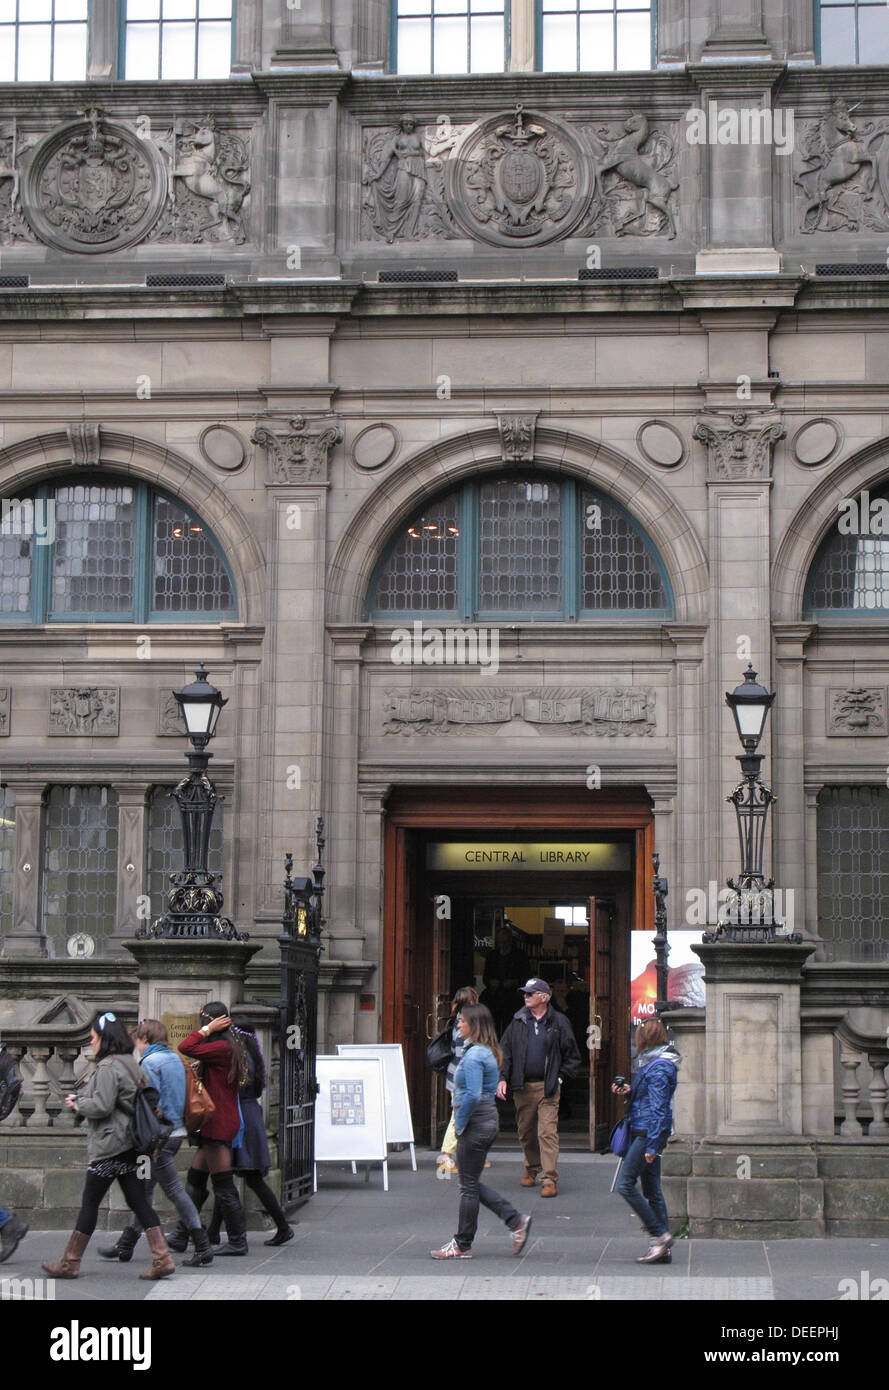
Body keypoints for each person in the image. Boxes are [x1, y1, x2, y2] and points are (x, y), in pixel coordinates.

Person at [41, 1011, 175, 1281]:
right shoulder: (131, 1063)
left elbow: (101, 1106)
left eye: (93, 1037)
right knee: (139, 1202)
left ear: (105, 1038)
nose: (92, 1042)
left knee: (90, 1203)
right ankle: (163, 1258)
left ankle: (70, 1263)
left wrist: (78, 1103)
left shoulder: (108, 1067)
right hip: (132, 1145)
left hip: (110, 1146)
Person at [99, 1019, 212, 1268]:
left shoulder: (149, 1063)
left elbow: (151, 1103)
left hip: (157, 1137)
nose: (136, 1046)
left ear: (145, 1039)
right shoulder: (176, 1059)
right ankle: (126, 1244)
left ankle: (202, 1245)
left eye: (137, 1041)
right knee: (145, 1190)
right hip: (176, 1132)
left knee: (173, 1191)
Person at [430, 1004, 532, 1261]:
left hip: (475, 1122)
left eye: (462, 1021)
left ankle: (463, 1243)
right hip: (485, 1120)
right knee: (470, 1182)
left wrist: (460, 1123)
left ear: (474, 1025)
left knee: (467, 1186)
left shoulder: (475, 1055)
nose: (458, 1025)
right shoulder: (483, 1051)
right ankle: (513, 1220)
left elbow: (473, 1095)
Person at [205, 1017, 294, 1247]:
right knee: (226, 1178)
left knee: (249, 1179)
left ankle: (283, 1226)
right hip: (248, 1113)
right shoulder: (251, 1052)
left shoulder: (241, 1054)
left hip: (242, 1115)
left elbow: (237, 1085)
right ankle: (213, 1231)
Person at [175, 1002, 250, 1256]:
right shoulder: (228, 1045)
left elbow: (185, 1047)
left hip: (218, 1123)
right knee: (196, 1178)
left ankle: (238, 1240)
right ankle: (182, 1233)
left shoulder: (221, 1047)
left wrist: (207, 1029)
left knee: (223, 1184)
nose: (201, 1024)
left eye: (204, 1021)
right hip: (217, 1121)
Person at [496, 977, 582, 1198]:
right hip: (523, 1085)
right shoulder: (517, 1021)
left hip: (548, 1086)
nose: (525, 997)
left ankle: (549, 1178)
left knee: (547, 1132)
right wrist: (503, 1077)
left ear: (544, 997)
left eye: (530, 993)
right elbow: (505, 1052)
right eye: (525, 993)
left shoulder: (559, 1022)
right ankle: (532, 1166)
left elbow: (572, 1055)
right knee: (525, 1131)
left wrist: (560, 1077)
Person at [613, 1017, 681, 1265]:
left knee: (625, 1185)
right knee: (652, 1190)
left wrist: (652, 1146)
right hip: (648, 1131)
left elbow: (659, 1108)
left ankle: (659, 1235)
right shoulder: (655, 1062)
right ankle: (661, 1248)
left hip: (646, 1133)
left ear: (646, 1038)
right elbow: (651, 1100)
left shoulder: (659, 1066)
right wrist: (629, 1091)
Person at [437, 985, 478, 1180]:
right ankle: (446, 1156)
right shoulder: (465, 1022)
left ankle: (471, 1156)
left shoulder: (458, 1020)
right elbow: (463, 1053)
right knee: (458, 1117)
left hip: (457, 1075)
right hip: (462, 1078)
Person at [481, 927, 529, 1036]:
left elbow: (527, 977)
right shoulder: (492, 955)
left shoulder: (520, 955)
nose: (502, 945)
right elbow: (486, 976)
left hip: (513, 998)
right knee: (493, 1026)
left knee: (511, 1026)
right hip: (494, 998)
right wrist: (491, 982)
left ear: (510, 941)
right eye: (500, 942)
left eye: (505, 942)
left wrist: (515, 982)